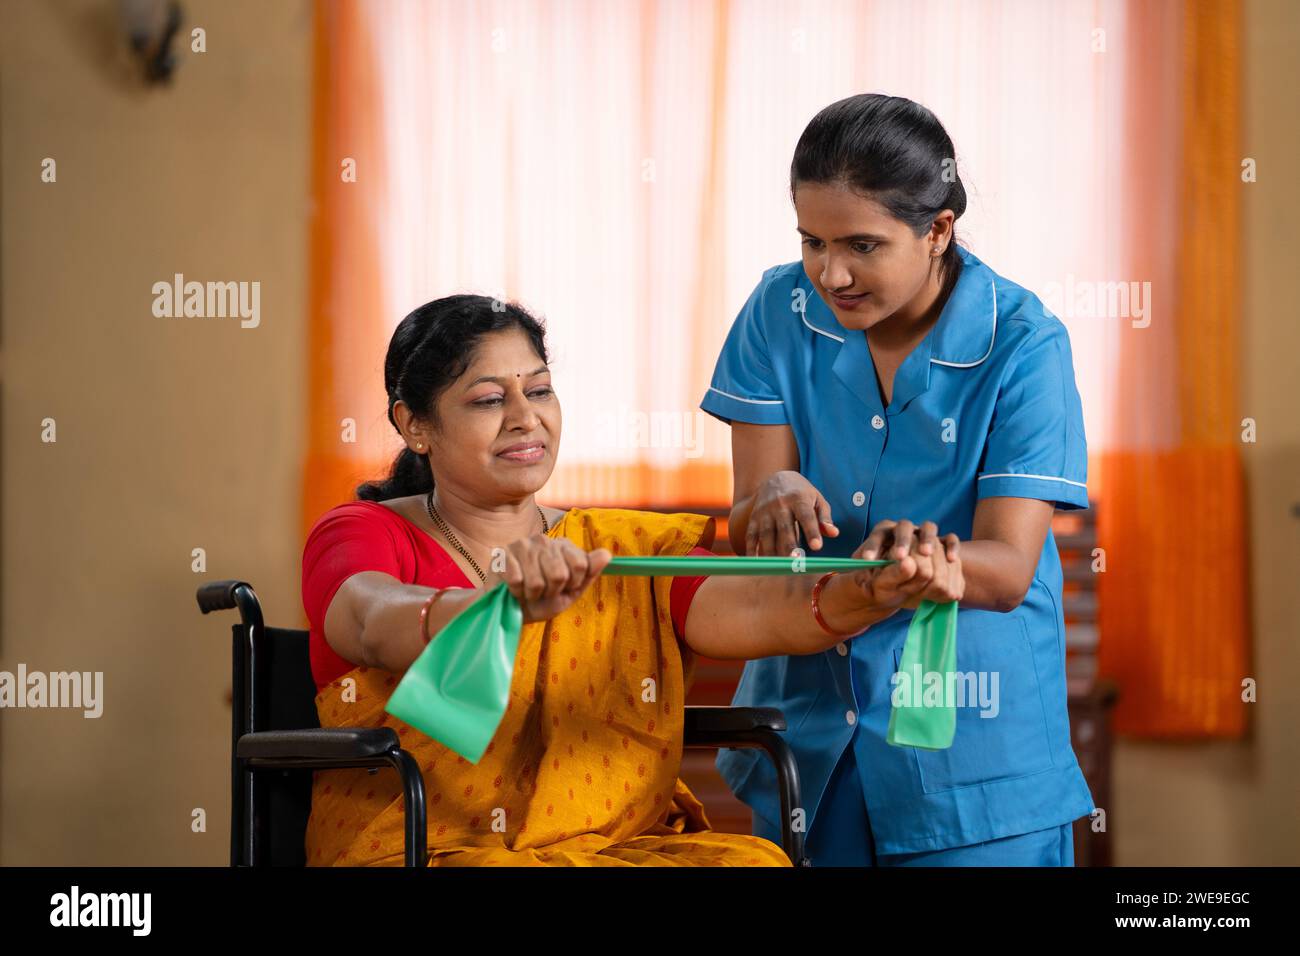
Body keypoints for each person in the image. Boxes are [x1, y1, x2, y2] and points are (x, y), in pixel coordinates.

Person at [301, 293, 962, 866]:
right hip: (424, 848)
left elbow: (760, 609)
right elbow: (369, 619)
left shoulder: (618, 546)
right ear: (415, 425)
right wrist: (495, 609)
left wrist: (868, 590)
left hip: (611, 848)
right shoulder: (364, 531)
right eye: (486, 400)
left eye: (538, 389)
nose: (525, 417)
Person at [701, 93, 1094, 866]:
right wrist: (769, 496)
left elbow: (1008, 569)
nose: (830, 273)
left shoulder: (1023, 344)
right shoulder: (775, 312)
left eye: (862, 246)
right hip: (806, 737)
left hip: (969, 754)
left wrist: (913, 565)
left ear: (938, 229)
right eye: (811, 241)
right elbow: (752, 537)